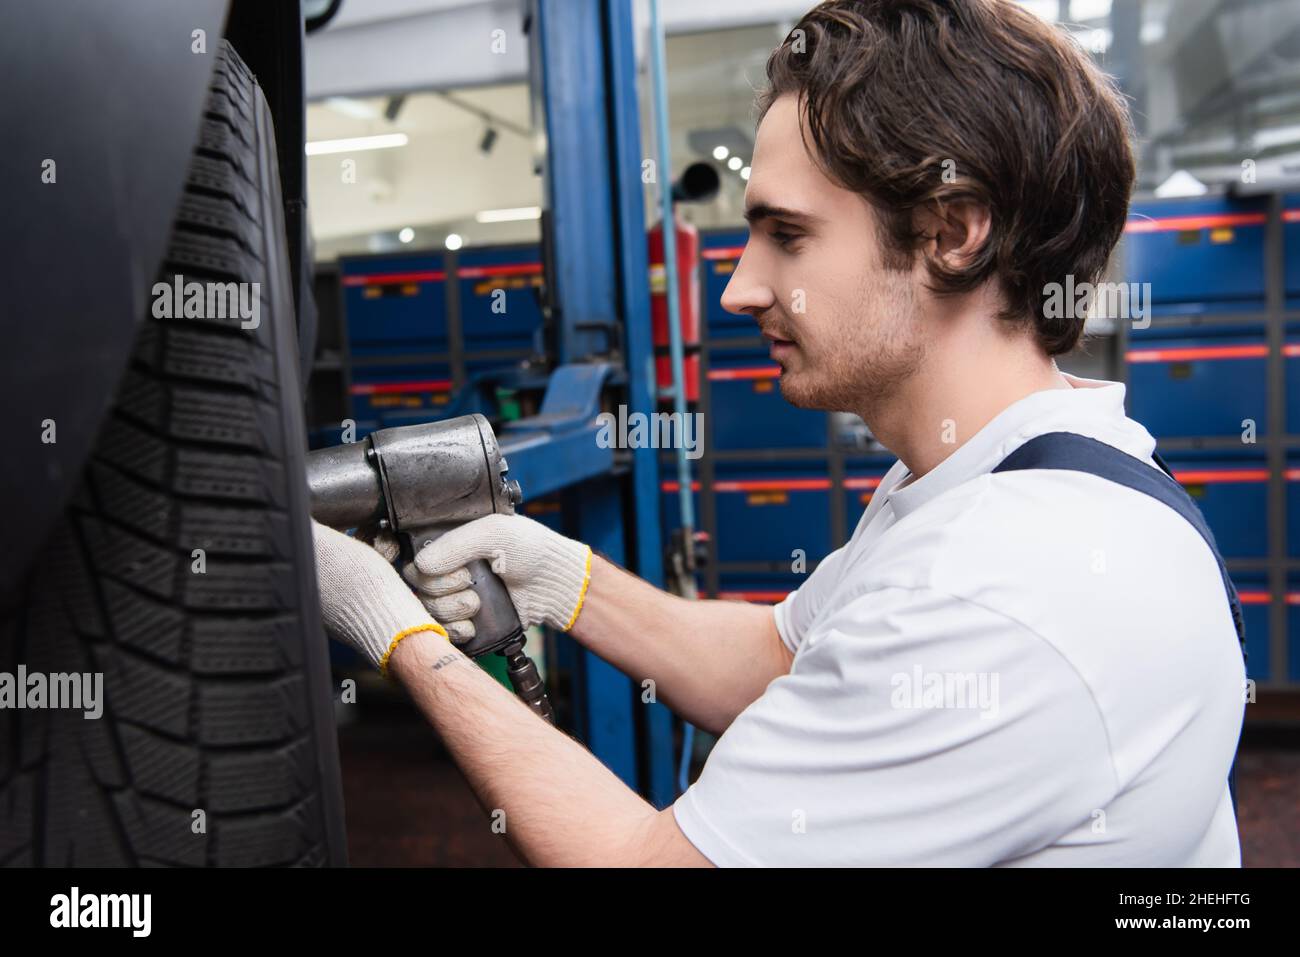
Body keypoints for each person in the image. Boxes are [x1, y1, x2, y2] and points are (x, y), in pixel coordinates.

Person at [312, 0, 1245, 866]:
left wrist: (394, 630)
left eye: (786, 236)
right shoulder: (1013, 469)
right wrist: (561, 576)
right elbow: (774, 658)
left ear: (953, 233)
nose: (738, 288)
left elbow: (644, 864)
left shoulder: (998, 586)